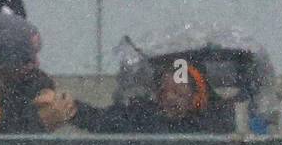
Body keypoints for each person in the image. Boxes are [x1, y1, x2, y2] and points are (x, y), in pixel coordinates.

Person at [71, 57, 236, 134]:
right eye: (164, 91)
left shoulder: (216, 121)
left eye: (178, 92)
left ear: (197, 96)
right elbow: (102, 120)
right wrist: (71, 108)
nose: (170, 98)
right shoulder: (142, 116)